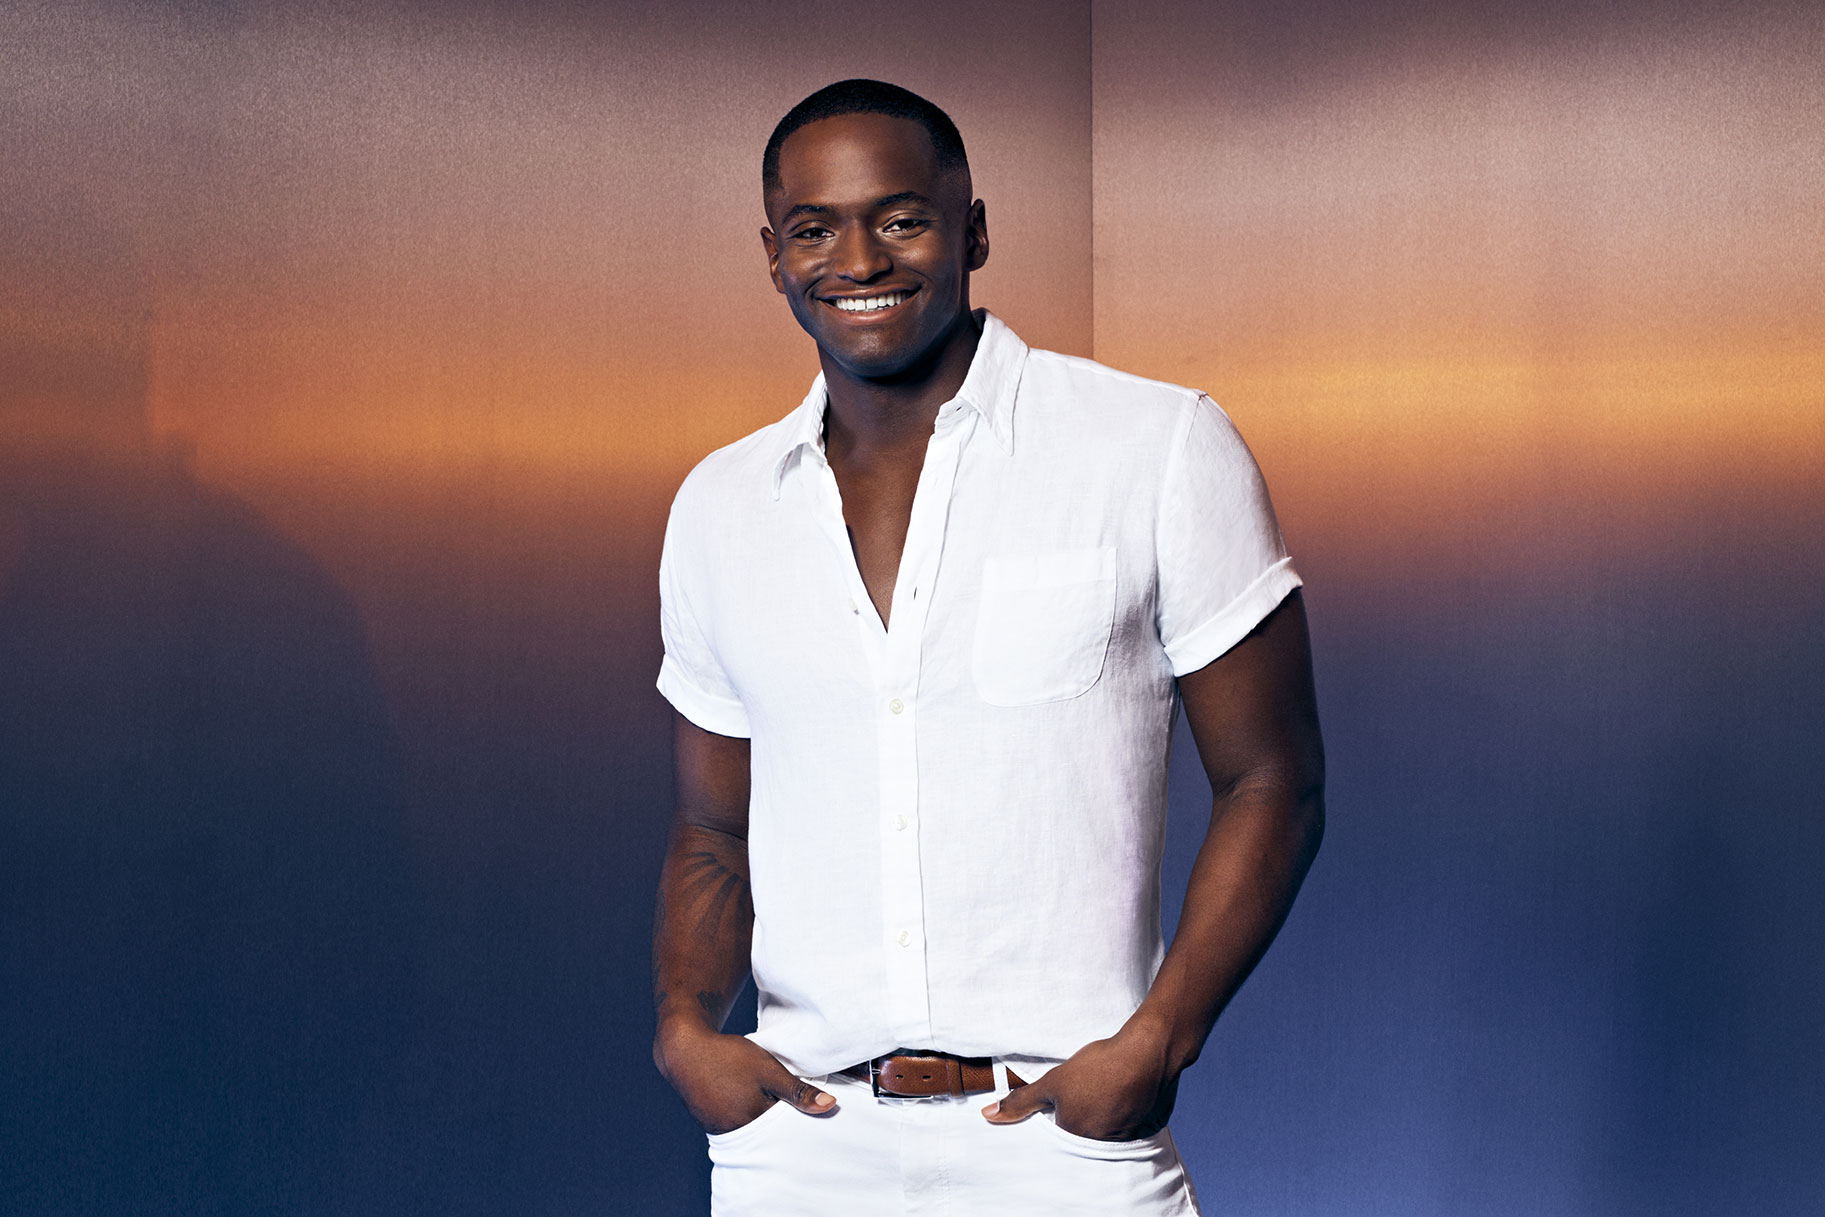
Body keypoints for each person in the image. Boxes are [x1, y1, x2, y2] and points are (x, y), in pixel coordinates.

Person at [650, 78, 1325, 1215]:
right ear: (773, 257)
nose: (857, 259)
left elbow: (1275, 779)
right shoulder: (719, 507)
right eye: (814, 230)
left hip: (1062, 1140)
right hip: (802, 1151)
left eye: (899, 218)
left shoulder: (1154, 446)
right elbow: (714, 826)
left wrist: (1162, 1037)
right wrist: (682, 1028)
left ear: (972, 231)